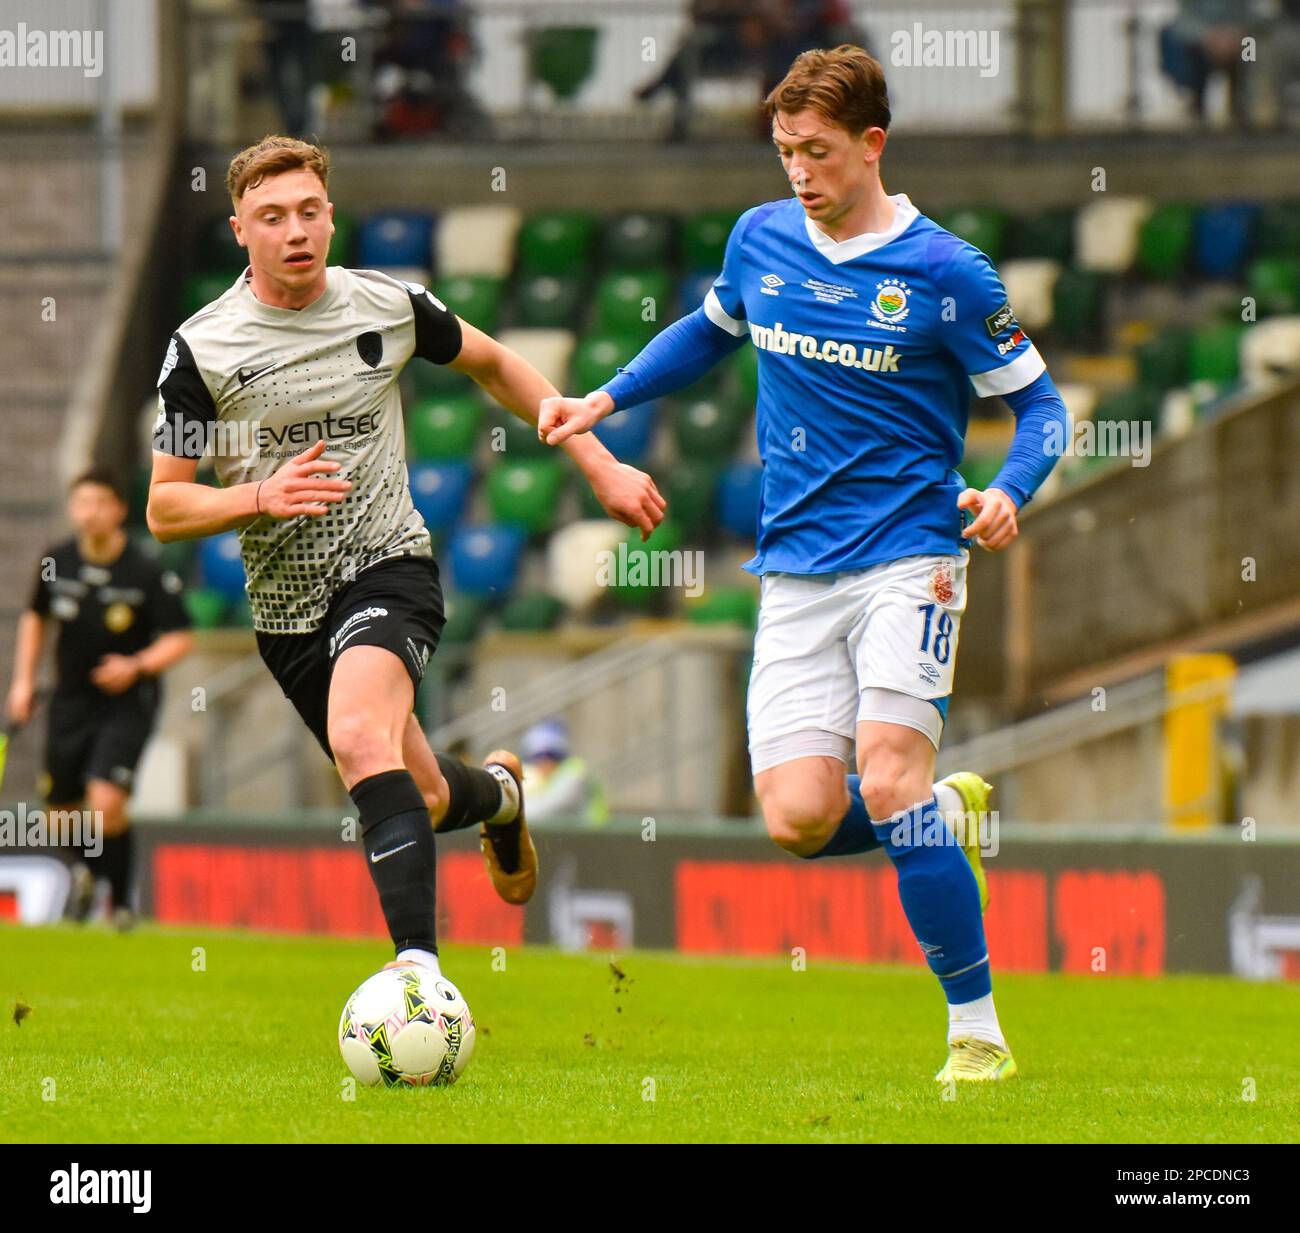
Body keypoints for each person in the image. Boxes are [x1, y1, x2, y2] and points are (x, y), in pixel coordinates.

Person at [538, 46, 1069, 1081]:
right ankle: (946, 815)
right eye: (784, 151)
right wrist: (605, 400)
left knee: (889, 774)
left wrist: (1009, 491)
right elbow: (709, 329)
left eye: (817, 152)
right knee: (797, 818)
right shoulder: (762, 238)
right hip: (793, 569)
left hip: (909, 557)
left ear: (873, 144)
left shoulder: (945, 274)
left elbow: (1040, 407)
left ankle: (975, 1033)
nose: (798, 172)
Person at [148, 135, 665, 979]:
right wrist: (256, 495)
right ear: (240, 229)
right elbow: (166, 505)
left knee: (359, 733)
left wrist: (598, 459)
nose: (295, 231)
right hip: (288, 614)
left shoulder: (385, 305)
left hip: (389, 567)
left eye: (310, 211)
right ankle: (501, 794)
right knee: (417, 795)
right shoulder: (203, 350)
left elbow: (495, 364)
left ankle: (417, 980)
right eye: (272, 217)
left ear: (332, 216)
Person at [6, 469, 195, 929]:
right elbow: (36, 618)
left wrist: (137, 666)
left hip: (127, 702)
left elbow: (180, 637)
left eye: (99, 503)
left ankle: (123, 904)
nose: (88, 513)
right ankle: (91, 875)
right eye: (81, 503)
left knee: (106, 803)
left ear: (118, 510)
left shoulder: (144, 568)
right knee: (60, 817)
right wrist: (22, 681)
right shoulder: (57, 561)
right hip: (70, 701)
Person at [519, 718, 608, 826]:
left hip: (592, 838)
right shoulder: (547, 778)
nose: (542, 762)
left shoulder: (575, 773)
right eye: (536, 757)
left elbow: (547, 811)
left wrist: (513, 811)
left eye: (549, 755)